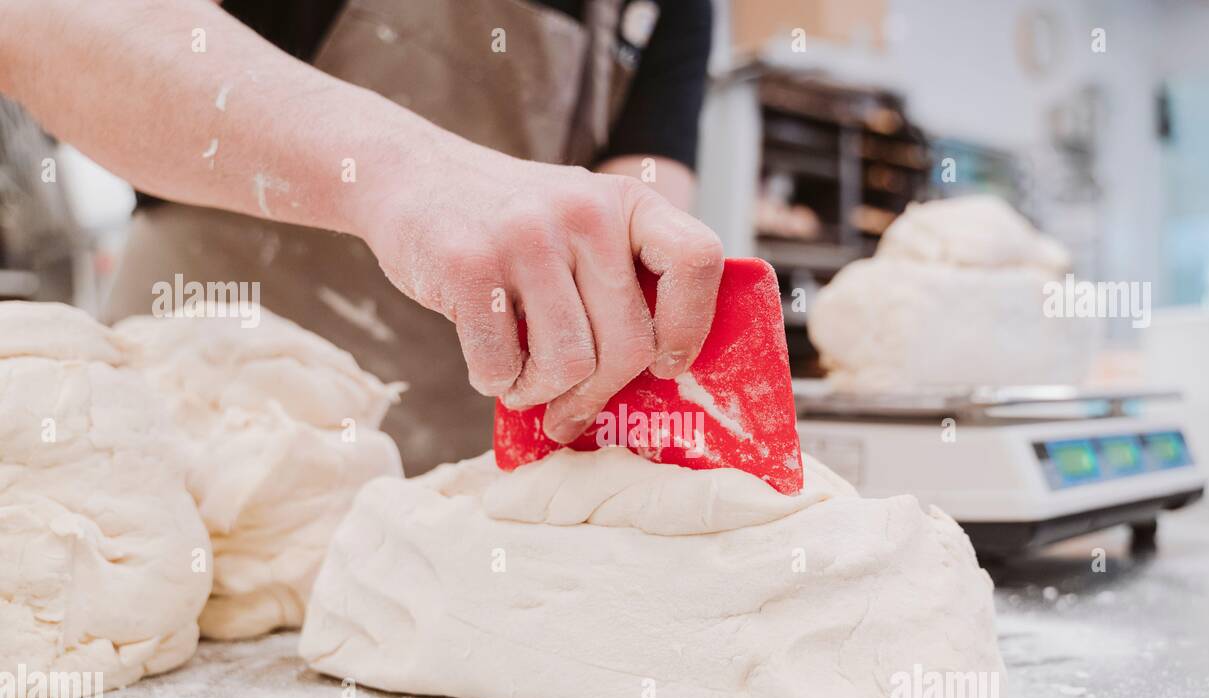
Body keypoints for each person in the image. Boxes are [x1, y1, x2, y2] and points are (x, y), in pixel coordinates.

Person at [0, 0, 724, 473]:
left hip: (469, 493)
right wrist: (399, 172)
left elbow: (637, 208)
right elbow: (43, 22)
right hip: (188, 448)